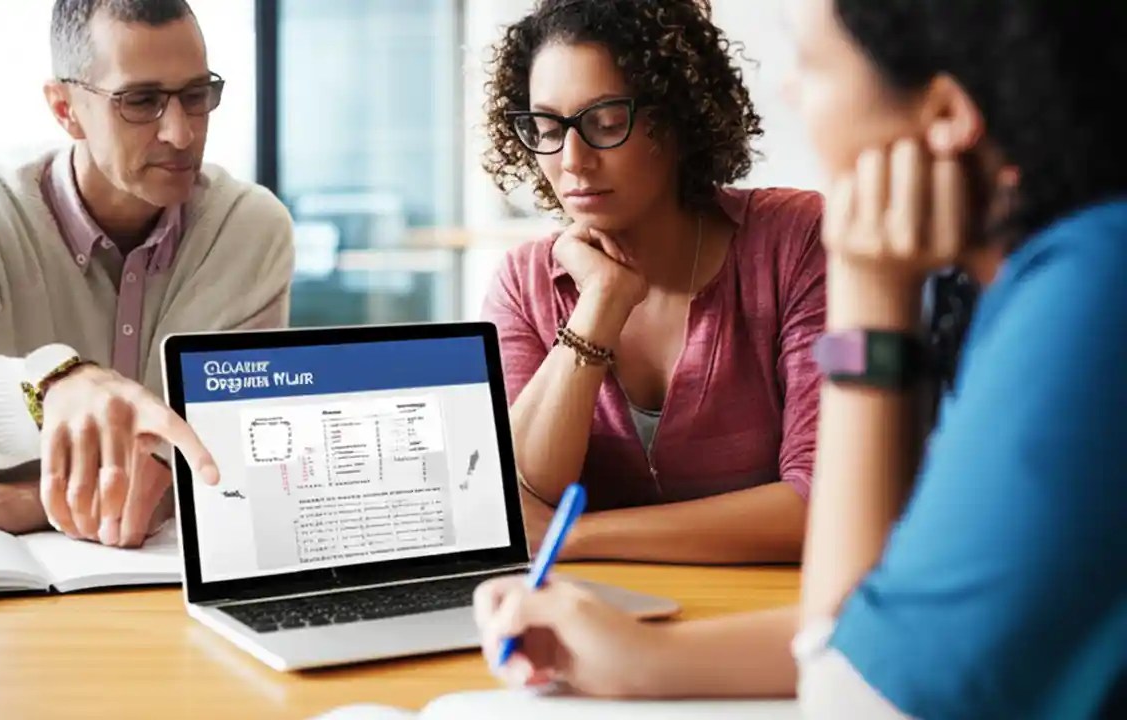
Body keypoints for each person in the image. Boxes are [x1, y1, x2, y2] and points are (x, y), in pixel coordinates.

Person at [473, 0, 1127, 716]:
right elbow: (869, 635)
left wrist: (871, 293)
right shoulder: (1046, 282)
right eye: (545, 127)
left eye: (813, 64)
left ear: (942, 110)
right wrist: (640, 657)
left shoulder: (1089, 300)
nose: (790, 91)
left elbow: (857, 688)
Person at [0, 0, 291, 551]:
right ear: (65, 109)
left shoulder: (249, 229)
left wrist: (27, 501)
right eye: (142, 102)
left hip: (170, 564)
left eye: (196, 96)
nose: (180, 133)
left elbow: (231, 450)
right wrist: (52, 386)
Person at [480, 0, 826, 564]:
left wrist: (577, 537)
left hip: (768, 621)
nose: (573, 159)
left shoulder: (794, 242)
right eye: (545, 127)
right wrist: (602, 303)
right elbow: (520, 494)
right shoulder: (525, 283)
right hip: (592, 621)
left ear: (676, 119)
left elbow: (823, 501)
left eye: (606, 123)